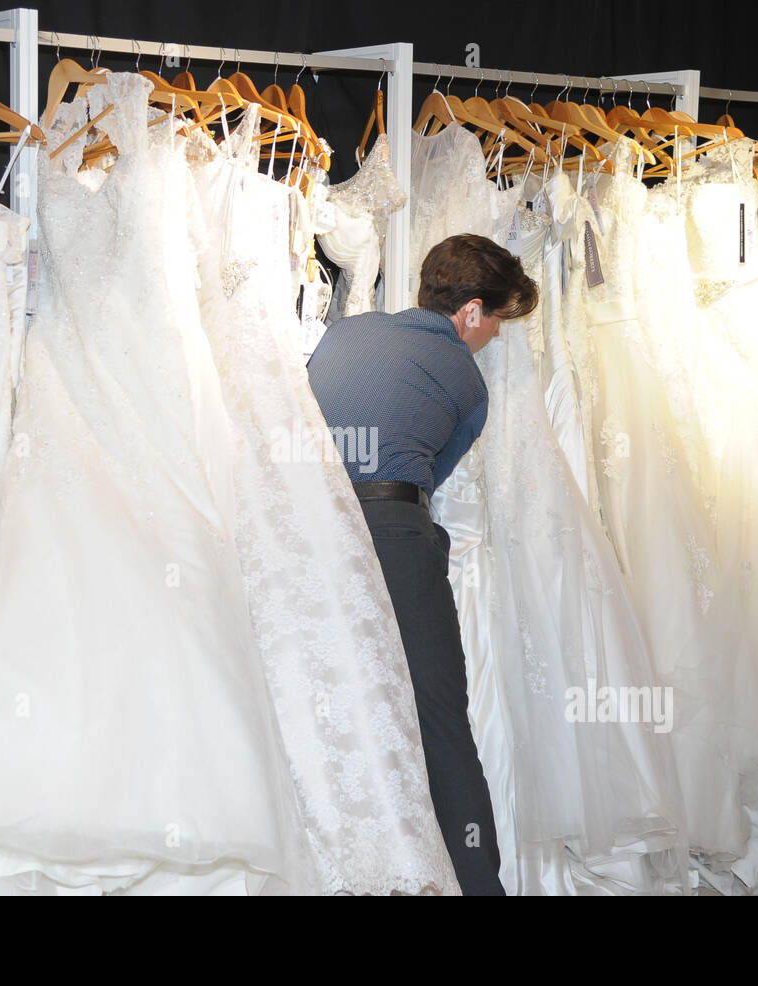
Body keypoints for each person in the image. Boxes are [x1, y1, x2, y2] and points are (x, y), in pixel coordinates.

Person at [307, 233, 538, 895]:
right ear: (471, 311)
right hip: (389, 530)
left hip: (307, 525)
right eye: (497, 319)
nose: (495, 333)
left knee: (328, 706)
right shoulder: (469, 385)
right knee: (437, 714)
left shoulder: (344, 334)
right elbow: (422, 484)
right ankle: (476, 884)